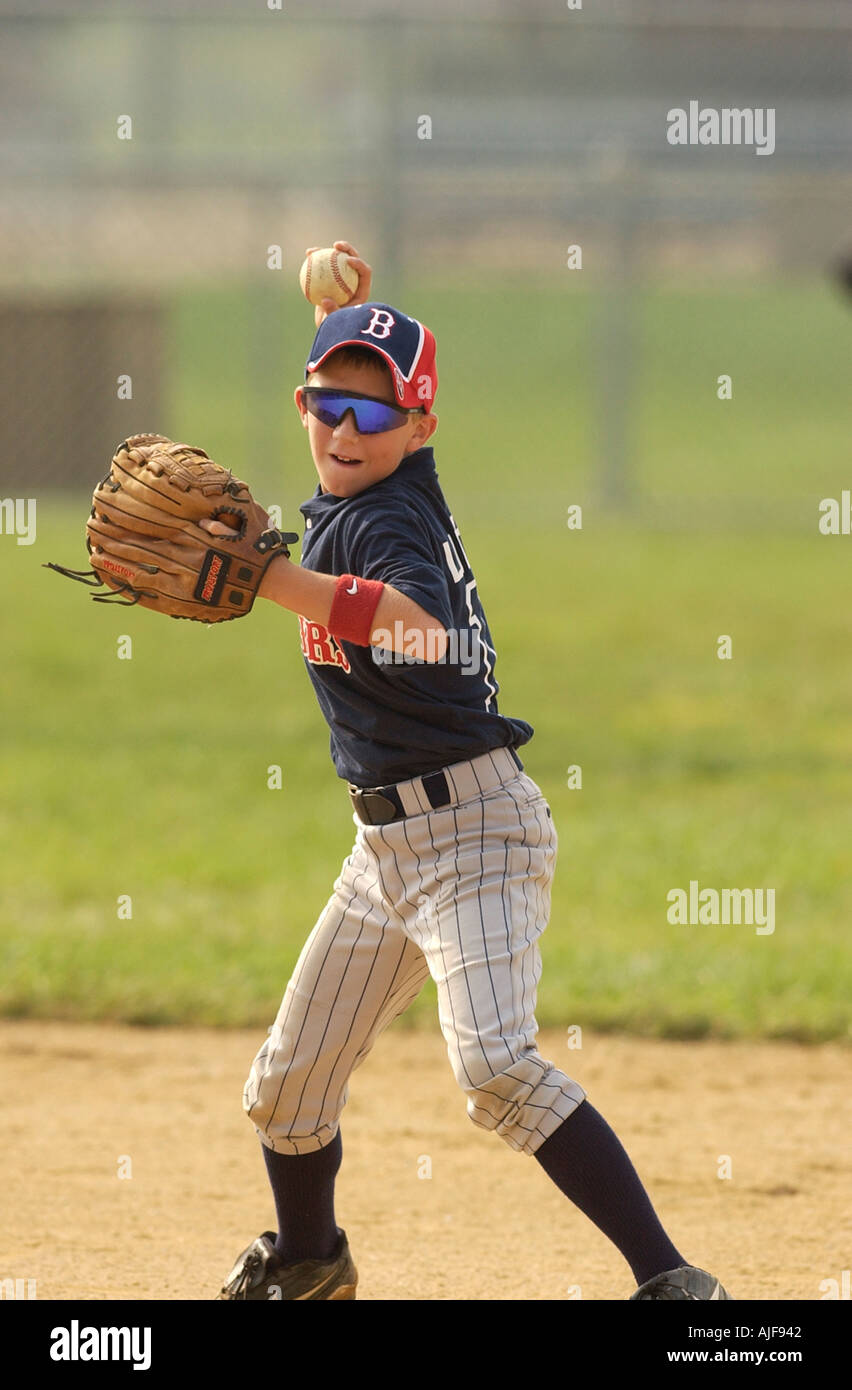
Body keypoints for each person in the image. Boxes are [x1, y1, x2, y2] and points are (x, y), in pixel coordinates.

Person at [213, 241, 730, 1302]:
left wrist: (274, 582)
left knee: (494, 1066)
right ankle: (312, 1262)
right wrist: (341, 311)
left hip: (476, 835)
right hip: (384, 851)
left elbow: (415, 628)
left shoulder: (393, 516)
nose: (343, 432)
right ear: (299, 404)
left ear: (421, 429)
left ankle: (672, 1281)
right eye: (323, 405)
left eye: (373, 415)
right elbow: (359, 394)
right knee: (287, 1087)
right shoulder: (370, 480)